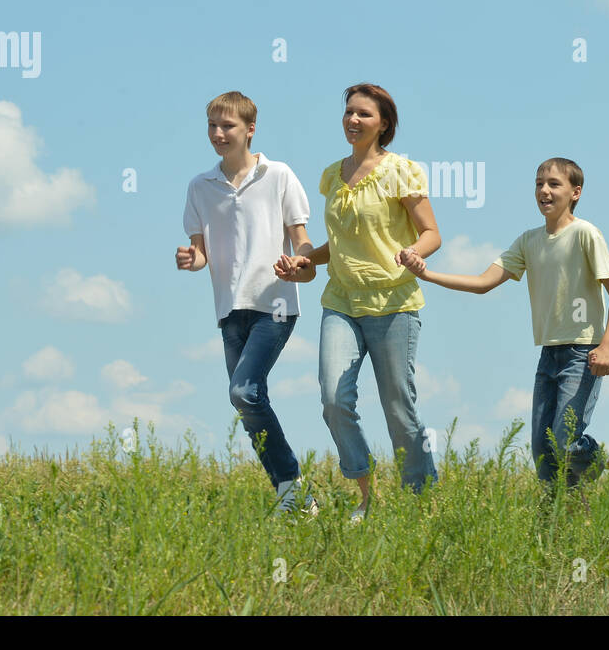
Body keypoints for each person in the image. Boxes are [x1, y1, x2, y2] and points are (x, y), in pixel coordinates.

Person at [411, 157, 609, 508]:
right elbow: (484, 282)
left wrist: (608, 344)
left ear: (575, 192)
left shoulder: (586, 233)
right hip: (549, 353)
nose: (544, 190)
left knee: (565, 441)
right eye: (539, 183)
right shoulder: (528, 241)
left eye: (554, 184)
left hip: (583, 353)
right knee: (543, 451)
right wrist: (428, 275)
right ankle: (572, 517)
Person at [275, 83, 440, 522]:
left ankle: (421, 500)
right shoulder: (333, 174)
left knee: (398, 410)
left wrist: (414, 253)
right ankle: (367, 496)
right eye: (349, 112)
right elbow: (341, 243)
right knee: (333, 399)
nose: (353, 120)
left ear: (383, 124)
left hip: (393, 302)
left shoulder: (401, 171)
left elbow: (431, 233)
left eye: (363, 114)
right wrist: (303, 259)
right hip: (341, 302)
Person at [177, 91, 318, 515]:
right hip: (228, 309)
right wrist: (191, 259)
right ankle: (294, 496)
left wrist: (300, 263)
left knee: (244, 390)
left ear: (250, 129)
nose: (218, 134)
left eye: (228, 126)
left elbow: (304, 245)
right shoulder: (200, 187)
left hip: (274, 304)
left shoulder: (279, 176)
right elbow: (200, 253)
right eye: (212, 126)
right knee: (245, 400)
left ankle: (291, 491)